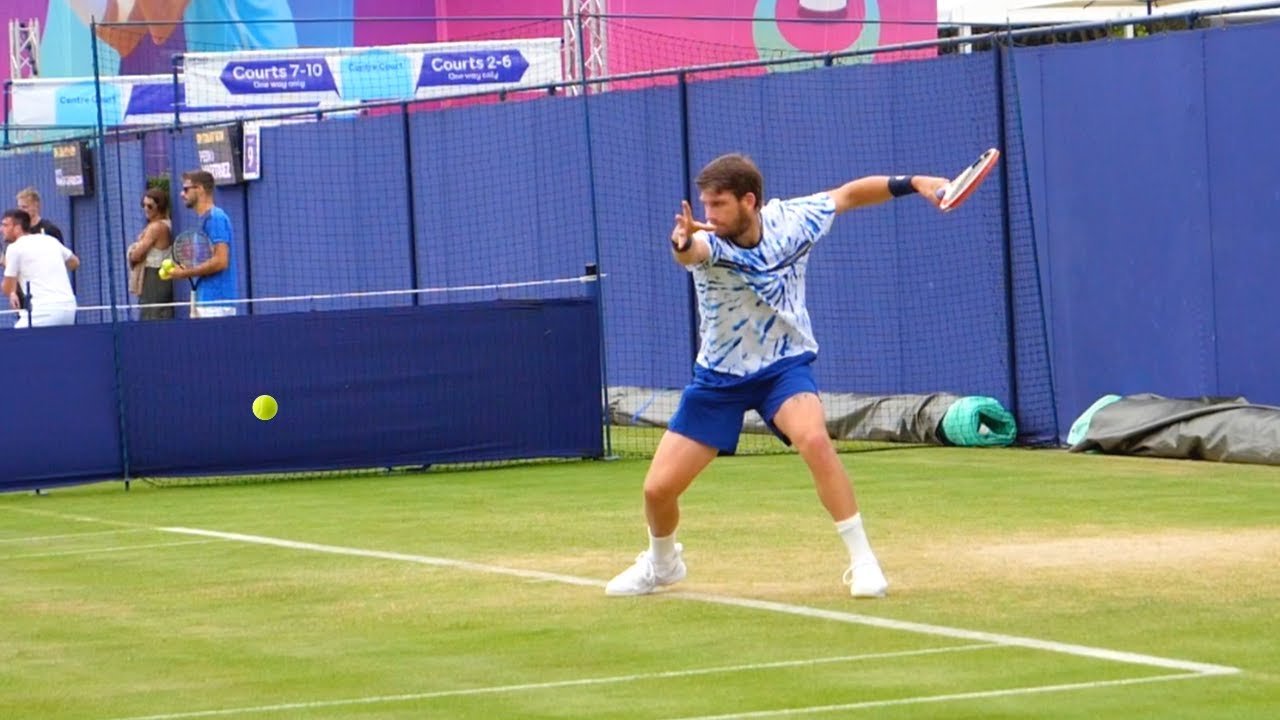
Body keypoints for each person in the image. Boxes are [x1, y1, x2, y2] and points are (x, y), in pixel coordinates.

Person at [605, 153, 951, 599]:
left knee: (814, 440)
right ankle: (662, 564)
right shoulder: (708, 244)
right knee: (656, 491)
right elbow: (689, 252)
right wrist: (680, 241)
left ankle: (864, 563)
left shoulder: (794, 220)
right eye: (705, 205)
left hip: (782, 366)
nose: (708, 215)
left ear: (749, 201)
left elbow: (849, 194)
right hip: (719, 377)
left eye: (719, 205)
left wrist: (919, 182)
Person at [172, 170, 237, 318]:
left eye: (186, 189)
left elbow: (221, 261)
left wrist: (185, 273)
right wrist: (187, 268)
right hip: (205, 301)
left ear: (200, 189)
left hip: (217, 304)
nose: (182, 194)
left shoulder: (216, 218)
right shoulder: (205, 219)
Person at [1, 209, 79, 329]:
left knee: (13, 343)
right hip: (69, 309)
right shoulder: (50, 240)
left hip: (44, 311)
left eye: (5, 225)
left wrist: (4, 262)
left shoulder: (14, 248)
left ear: (18, 227)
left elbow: (7, 288)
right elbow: (75, 262)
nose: (1, 229)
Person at [127, 188, 175, 320]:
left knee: (151, 314)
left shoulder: (156, 227)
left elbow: (137, 254)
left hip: (154, 276)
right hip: (161, 275)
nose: (146, 209)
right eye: (144, 205)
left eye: (150, 206)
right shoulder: (167, 224)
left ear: (160, 206)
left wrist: (132, 252)